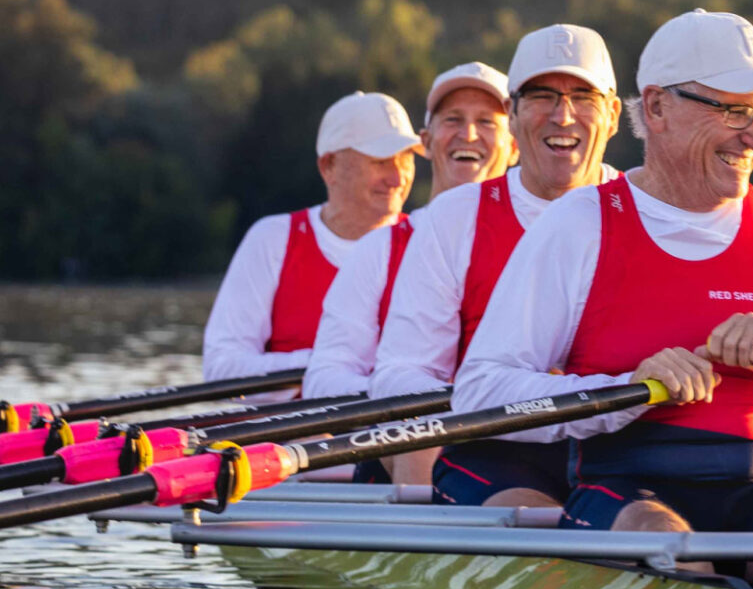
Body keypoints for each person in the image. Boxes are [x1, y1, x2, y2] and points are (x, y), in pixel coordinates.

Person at [453, 8, 753, 571]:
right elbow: (482, 391)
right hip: (627, 491)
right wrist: (625, 388)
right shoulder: (581, 224)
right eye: (735, 110)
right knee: (672, 549)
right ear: (658, 107)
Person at [370, 25, 623, 501]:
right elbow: (401, 371)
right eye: (542, 96)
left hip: (618, 448)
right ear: (512, 113)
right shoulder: (457, 216)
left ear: (611, 115)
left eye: (582, 97)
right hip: (495, 445)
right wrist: (498, 383)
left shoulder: (647, 211)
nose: (562, 116)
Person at [302, 62, 515, 401]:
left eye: (486, 122)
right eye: (453, 119)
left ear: (515, 146)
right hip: (414, 438)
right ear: (427, 143)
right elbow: (324, 377)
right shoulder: (379, 250)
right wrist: (401, 388)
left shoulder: (544, 239)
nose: (469, 134)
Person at [202, 92, 421, 381]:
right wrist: (329, 365)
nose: (397, 178)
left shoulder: (425, 242)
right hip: (288, 424)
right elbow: (222, 367)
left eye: (405, 159)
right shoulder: (273, 239)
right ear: (328, 167)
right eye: (380, 161)